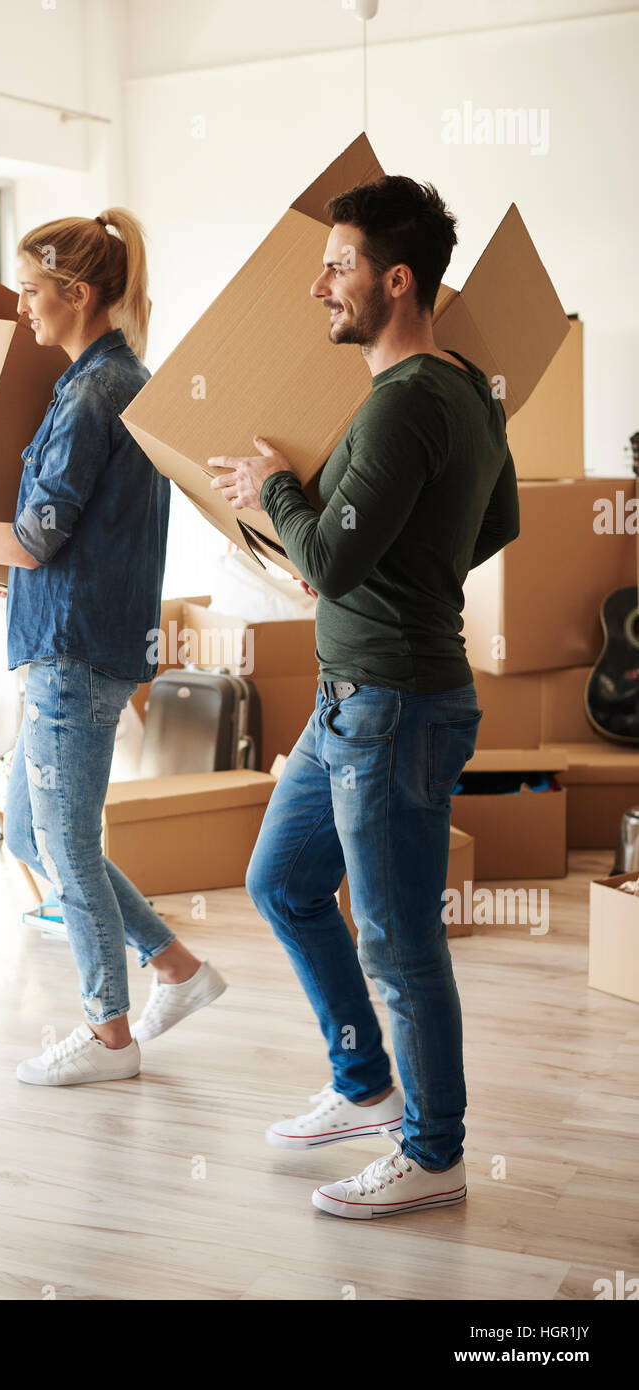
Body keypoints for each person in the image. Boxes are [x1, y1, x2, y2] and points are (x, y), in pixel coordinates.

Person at [209, 175, 519, 1219]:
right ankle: (363, 1087)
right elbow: (493, 521)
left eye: (335, 265)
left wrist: (274, 493)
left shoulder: (401, 404)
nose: (317, 286)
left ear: (395, 279)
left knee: (396, 940)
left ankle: (432, 1153)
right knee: (282, 882)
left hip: (389, 707)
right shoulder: (468, 387)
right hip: (356, 701)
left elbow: (333, 563)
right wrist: (385, 562)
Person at [0, 208, 226, 1085]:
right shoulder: (113, 382)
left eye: (33, 293)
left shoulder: (91, 394)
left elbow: (36, 538)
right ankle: (177, 969)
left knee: (64, 844)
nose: (23, 309)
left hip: (73, 651)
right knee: (33, 837)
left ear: (77, 294)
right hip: (75, 643)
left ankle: (112, 1035)